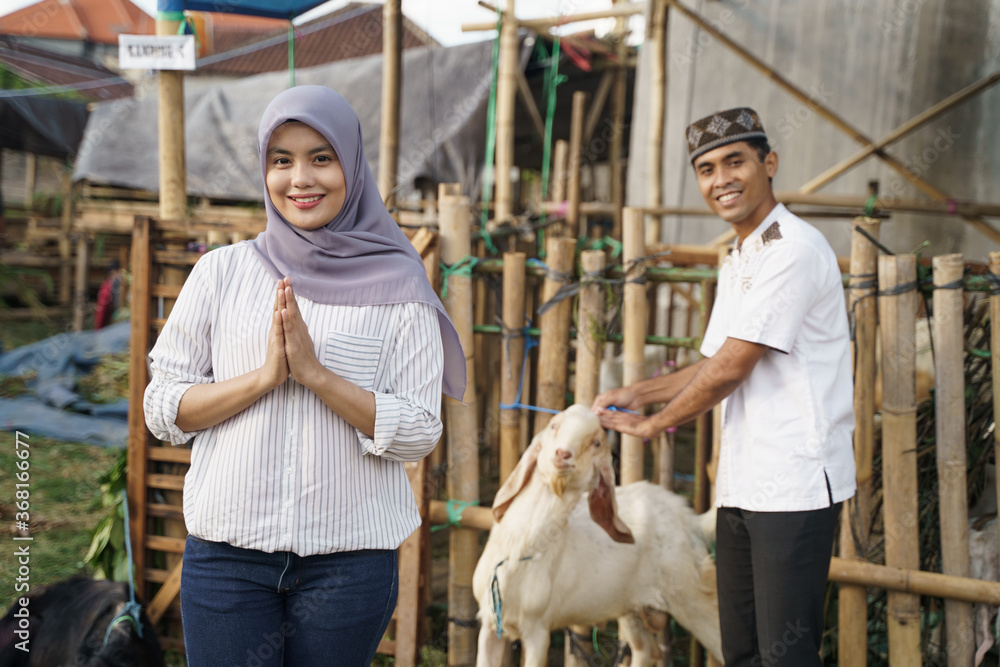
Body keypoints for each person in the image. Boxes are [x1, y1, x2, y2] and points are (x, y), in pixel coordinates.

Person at [143, 85, 465, 667]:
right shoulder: (222, 274)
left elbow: (419, 430)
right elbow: (163, 407)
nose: (301, 179)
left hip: (348, 566)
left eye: (322, 157)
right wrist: (263, 378)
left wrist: (317, 376)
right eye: (281, 160)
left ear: (352, 163)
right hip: (227, 559)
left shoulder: (400, 289)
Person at [592, 107, 855, 667]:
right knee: (742, 649)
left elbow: (733, 367)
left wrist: (655, 424)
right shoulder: (740, 256)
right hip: (744, 483)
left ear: (769, 163)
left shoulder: (793, 250)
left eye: (735, 162)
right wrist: (638, 393)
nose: (721, 180)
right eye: (707, 169)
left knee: (786, 654)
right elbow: (713, 360)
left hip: (796, 483)